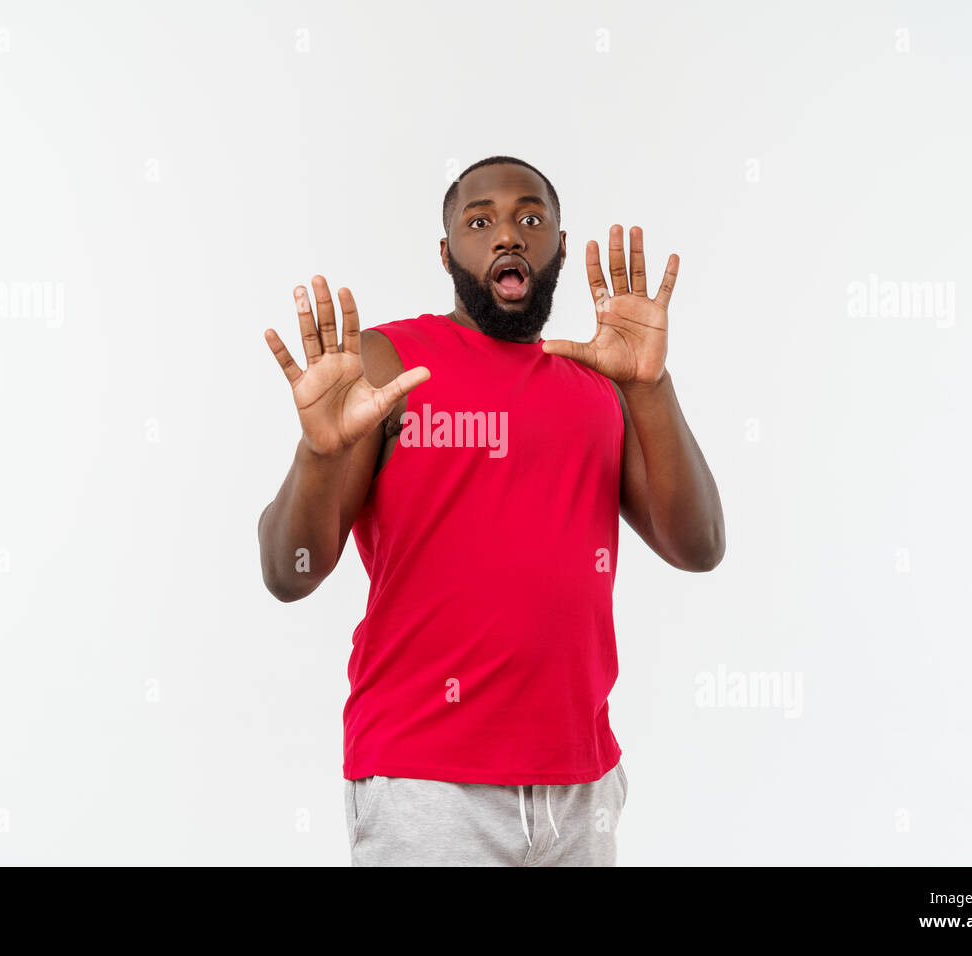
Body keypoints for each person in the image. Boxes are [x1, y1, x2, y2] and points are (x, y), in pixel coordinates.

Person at [258, 156, 725, 866]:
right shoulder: (388, 365)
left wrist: (651, 387)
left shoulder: (598, 383)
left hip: (581, 785)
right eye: (480, 222)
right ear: (447, 254)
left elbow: (700, 546)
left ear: (561, 247)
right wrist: (319, 455)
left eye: (530, 219)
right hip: (428, 783)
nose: (507, 236)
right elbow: (288, 572)